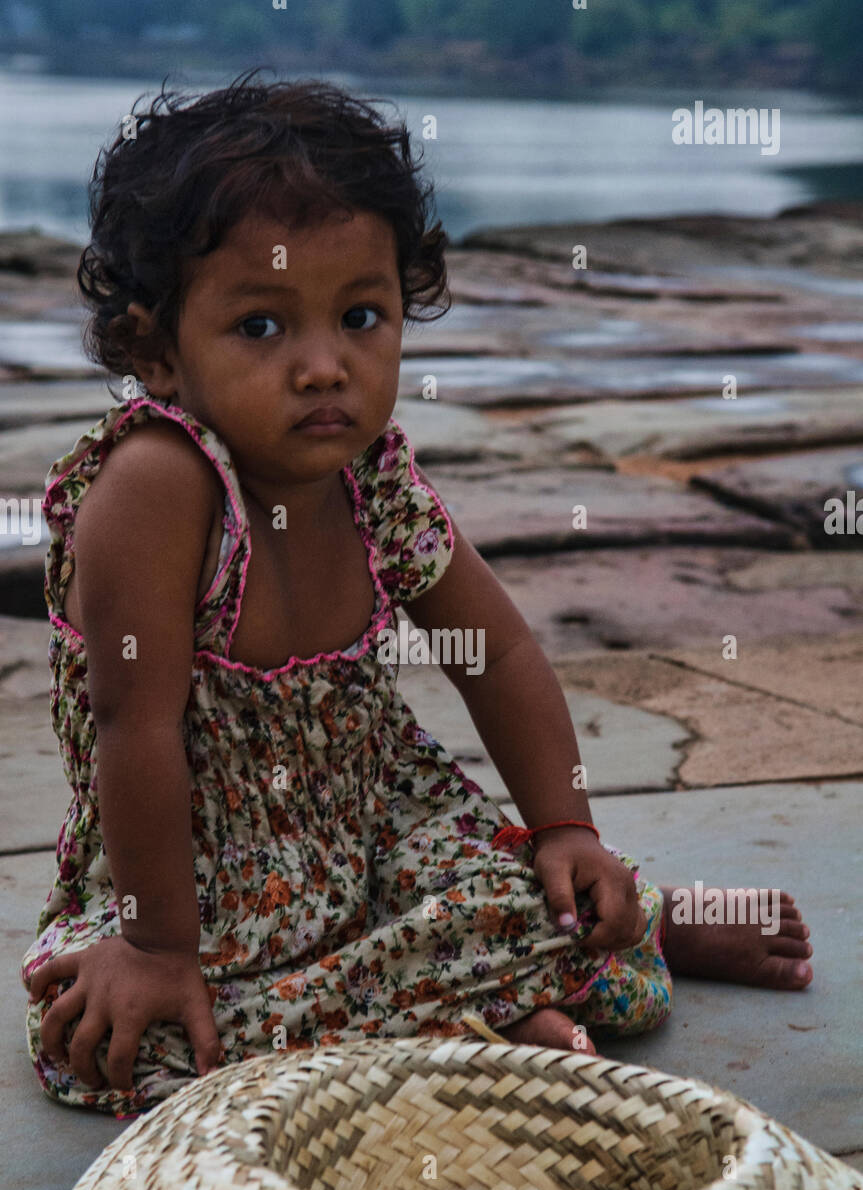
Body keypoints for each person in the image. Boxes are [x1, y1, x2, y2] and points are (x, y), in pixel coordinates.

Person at [21, 75, 812, 1118]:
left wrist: (564, 827)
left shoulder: (372, 480)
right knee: (135, 1039)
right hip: (193, 874)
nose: (323, 368)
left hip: (375, 823)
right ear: (156, 352)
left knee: (523, 889)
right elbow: (137, 725)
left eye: (360, 316)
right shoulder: (157, 487)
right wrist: (158, 943)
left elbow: (503, 651)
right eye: (261, 327)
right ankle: (471, 1010)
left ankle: (634, 921)